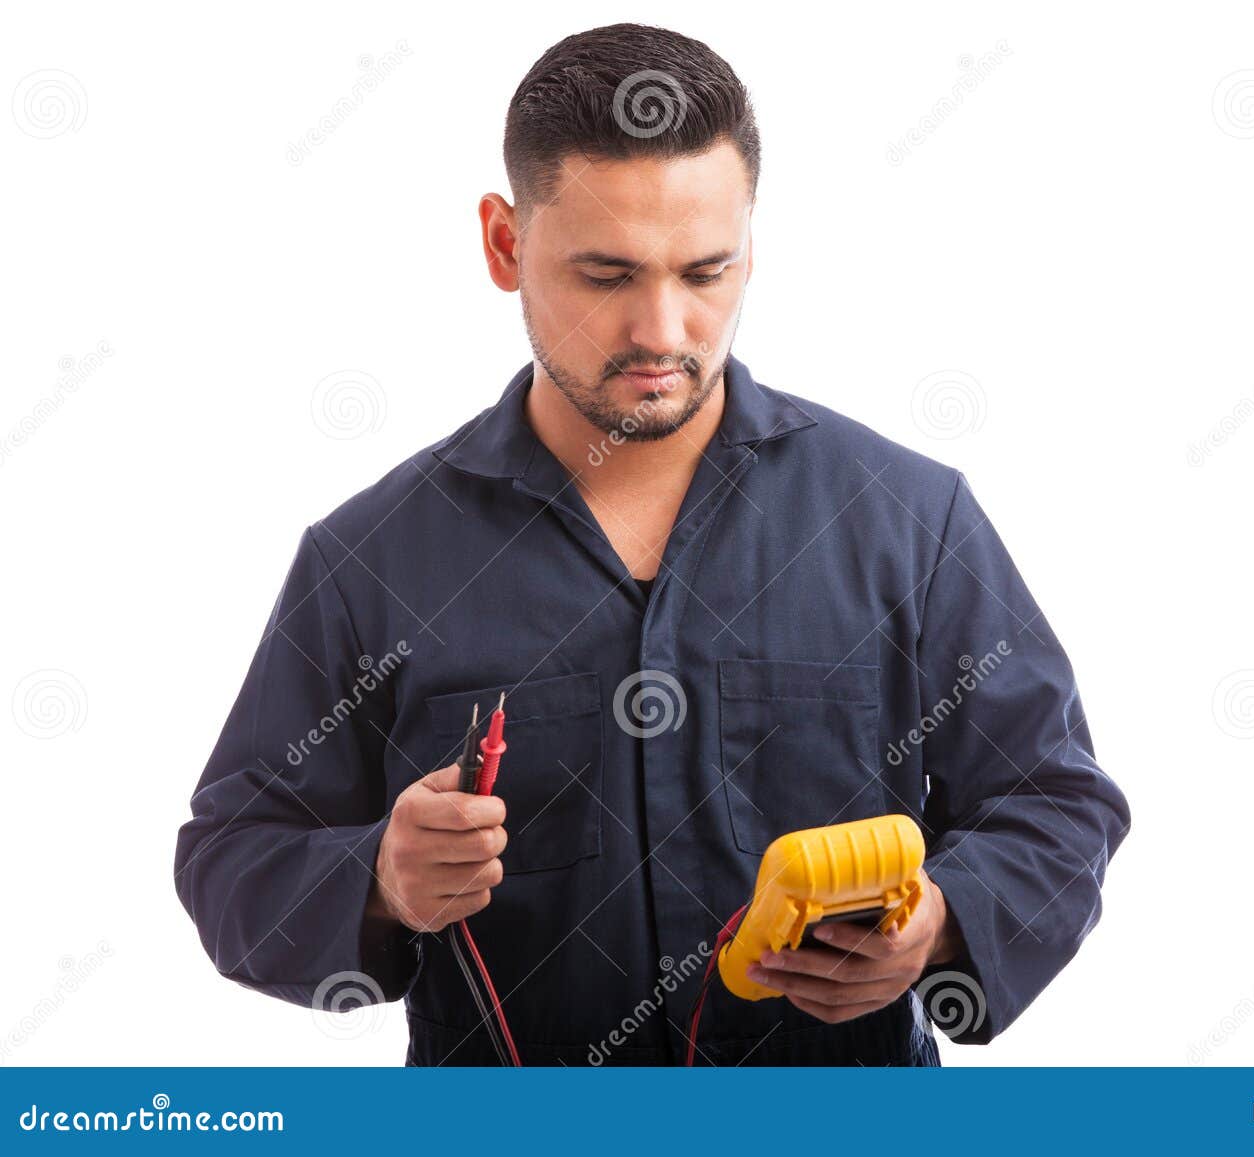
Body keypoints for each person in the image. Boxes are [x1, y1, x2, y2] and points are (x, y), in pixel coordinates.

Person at [174, 22, 1131, 1066]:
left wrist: (942, 918)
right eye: (606, 275)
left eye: (706, 271)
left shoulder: (907, 519)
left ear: (751, 246)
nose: (663, 331)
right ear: (504, 244)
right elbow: (233, 856)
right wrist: (381, 881)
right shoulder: (373, 557)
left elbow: (1053, 798)